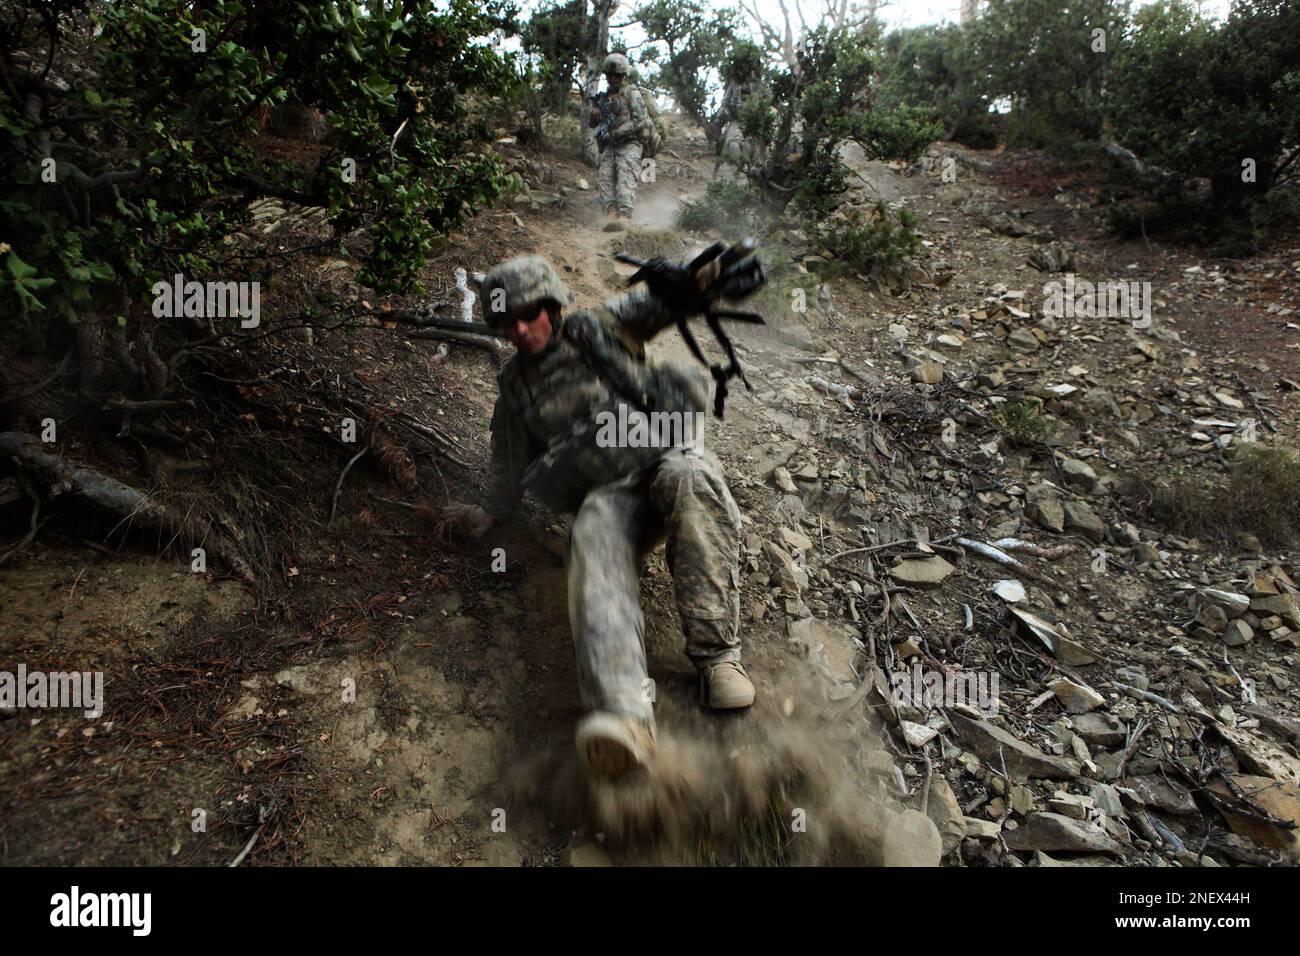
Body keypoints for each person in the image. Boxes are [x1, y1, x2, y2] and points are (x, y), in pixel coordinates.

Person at [443, 254, 755, 779]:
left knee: (691, 481)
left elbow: (661, 300)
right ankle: (624, 716)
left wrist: (707, 277)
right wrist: (492, 511)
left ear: (552, 306)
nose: (520, 329)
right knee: (588, 537)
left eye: (529, 314)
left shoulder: (599, 327)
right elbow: (507, 457)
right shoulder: (515, 386)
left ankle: (718, 655)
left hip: (665, 458)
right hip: (609, 494)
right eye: (508, 321)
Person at [590, 53, 653, 223]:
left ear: (623, 75)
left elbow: (641, 121)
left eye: (617, 75)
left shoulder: (631, 93)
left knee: (625, 175)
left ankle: (625, 216)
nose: (613, 79)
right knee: (604, 176)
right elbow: (593, 124)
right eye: (610, 75)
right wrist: (595, 115)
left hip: (630, 143)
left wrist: (618, 132)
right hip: (610, 145)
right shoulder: (603, 98)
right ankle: (611, 211)